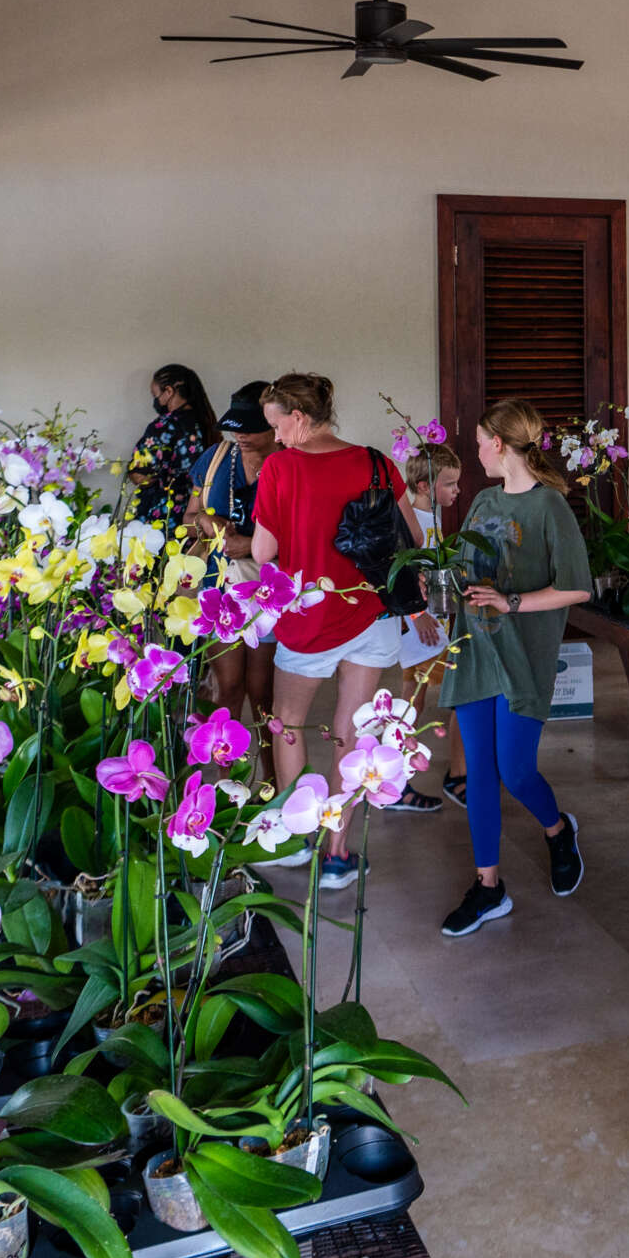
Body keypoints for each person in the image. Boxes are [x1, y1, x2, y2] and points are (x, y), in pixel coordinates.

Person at [250, 373, 419, 892]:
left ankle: (298, 838)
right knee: (351, 731)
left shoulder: (280, 468)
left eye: (277, 425)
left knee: (288, 725)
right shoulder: (376, 462)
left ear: (298, 418)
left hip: (310, 616)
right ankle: (338, 855)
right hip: (372, 614)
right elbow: (412, 536)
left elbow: (262, 553)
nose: (275, 437)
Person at [438, 400, 594, 937]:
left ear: (500, 445)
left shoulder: (551, 508)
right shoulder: (482, 501)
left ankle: (557, 831)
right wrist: (438, 582)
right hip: (476, 651)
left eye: (481, 441)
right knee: (479, 771)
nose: (477, 451)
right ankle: (489, 888)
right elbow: (466, 568)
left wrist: (512, 603)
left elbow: (577, 586)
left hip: (523, 658)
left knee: (515, 769)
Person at [383, 441, 468, 815]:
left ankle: (395, 782)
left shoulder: (431, 520)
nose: (457, 491)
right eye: (449, 484)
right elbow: (402, 574)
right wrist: (419, 616)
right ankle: (459, 776)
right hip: (422, 627)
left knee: (410, 701)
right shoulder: (415, 524)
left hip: (427, 625)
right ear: (422, 486)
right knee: (465, 693)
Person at [186, 381, 277, 726]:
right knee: (228, 688)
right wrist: (210, 521)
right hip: (219, 587)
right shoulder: (216, 458)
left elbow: (308, 532)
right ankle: (226, 776)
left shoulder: (290, 464)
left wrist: (252, 545)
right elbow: (189, 519)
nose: (241, 435)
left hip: (270, 590)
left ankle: (272, 774)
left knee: (264, 693)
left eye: (251, 428)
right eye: (235, 427)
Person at [130, 364, 220, 527]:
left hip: (164, 514)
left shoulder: (163, 427)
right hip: (198, 513)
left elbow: (140, 475)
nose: (156, 400)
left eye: (155, 394)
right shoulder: (206, 424)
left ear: (169, 391)